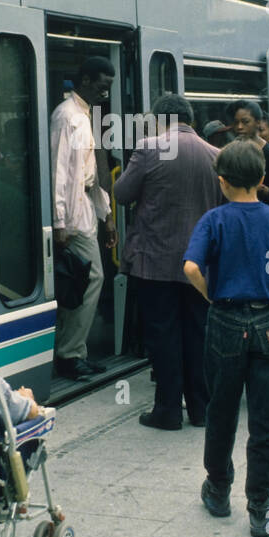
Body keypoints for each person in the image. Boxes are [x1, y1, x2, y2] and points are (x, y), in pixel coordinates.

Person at [183, 140, 269, 537]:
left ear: (221, 181)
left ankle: (218, 490)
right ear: (261, 179)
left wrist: (211, 293)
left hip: (224, 321)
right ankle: (261, 507)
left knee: (221, 411)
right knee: (266, 420)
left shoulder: (213, 220)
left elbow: (190, 267)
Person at [115, 94, 221, 430]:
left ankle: (168, 411)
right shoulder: (215, 154)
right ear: (189, 118)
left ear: (160, 120)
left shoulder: (149, 148)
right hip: (199, 264)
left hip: (155, 260)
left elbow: (121, 194)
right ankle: (202, 409)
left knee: (163, 336)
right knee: (197, 334)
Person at [49, 57, 118, 381]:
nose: (106, 91)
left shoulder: (84, 116)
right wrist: (59, 221)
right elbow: (59, 171)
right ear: (86, 81)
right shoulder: (67, 117)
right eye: (102, 84)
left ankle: (73, 352)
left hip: (85, 209)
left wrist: (107, 217)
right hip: (73, 216)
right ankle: (69, 354)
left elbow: (89, 173)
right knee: (91, 279)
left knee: (80, 281)